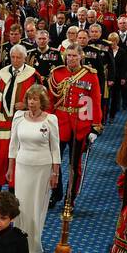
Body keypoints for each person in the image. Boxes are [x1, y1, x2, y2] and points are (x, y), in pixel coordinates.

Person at [8, 85, 61, 253]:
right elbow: (13, 145)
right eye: (29, 99)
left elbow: (55, 149)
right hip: (22, 167)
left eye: (35, 99)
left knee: (36, 206)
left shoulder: (50, 119)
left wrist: (55, 173)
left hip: (42, 169)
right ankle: (18, 241)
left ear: (42, 101)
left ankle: (33, 243)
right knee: (21, 204)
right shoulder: (18, 117)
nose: (31, 102)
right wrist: (10, 167)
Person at [48, 46, 103, 206]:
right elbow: (51, 100)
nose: (70, 58)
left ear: (81, 57)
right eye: (68, 55)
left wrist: (95, 127)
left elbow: (95, 102)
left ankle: (70, 198)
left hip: (80, 124)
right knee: (54, 161)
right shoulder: (57, 73)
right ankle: (56, 193)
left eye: (74, 55)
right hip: (59, 123)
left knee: (74, 165)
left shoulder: (91, 76)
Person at [0, 45, 39, 191]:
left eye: (19, 57)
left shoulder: (32, 75)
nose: (16, 60)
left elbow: (40, 99)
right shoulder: (3, 73)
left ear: (25, 58)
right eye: (13, 57)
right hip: (0, 121)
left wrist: (26, 104)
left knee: (16, 157)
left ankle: (14, 191)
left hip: (21, 121)